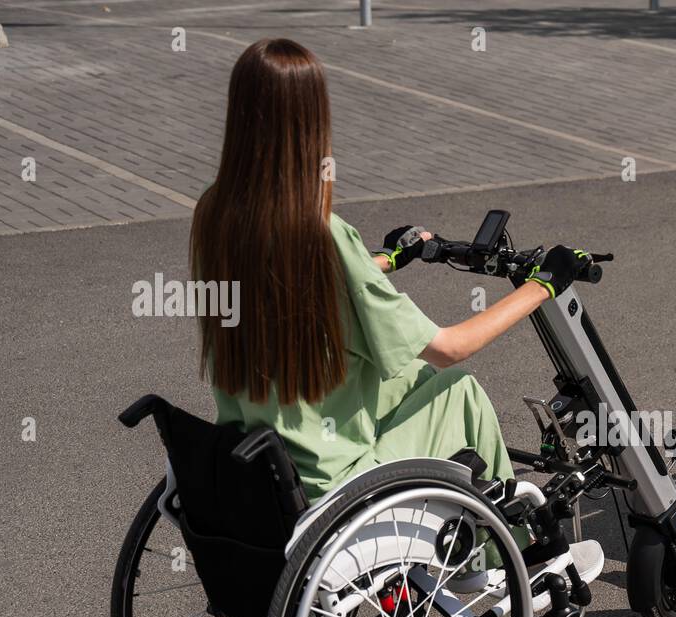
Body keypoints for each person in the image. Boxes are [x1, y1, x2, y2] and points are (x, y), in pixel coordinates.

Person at [191, 37, 582, 501]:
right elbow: (450, 348)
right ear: (311, 120)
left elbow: (293, 284)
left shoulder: (216, 212)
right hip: (334, 482)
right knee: (459, 390)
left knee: (408, 378)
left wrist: (386, 260)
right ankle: (505, 553)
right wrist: (543, 284)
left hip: (263, 464)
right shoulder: (322, 234)